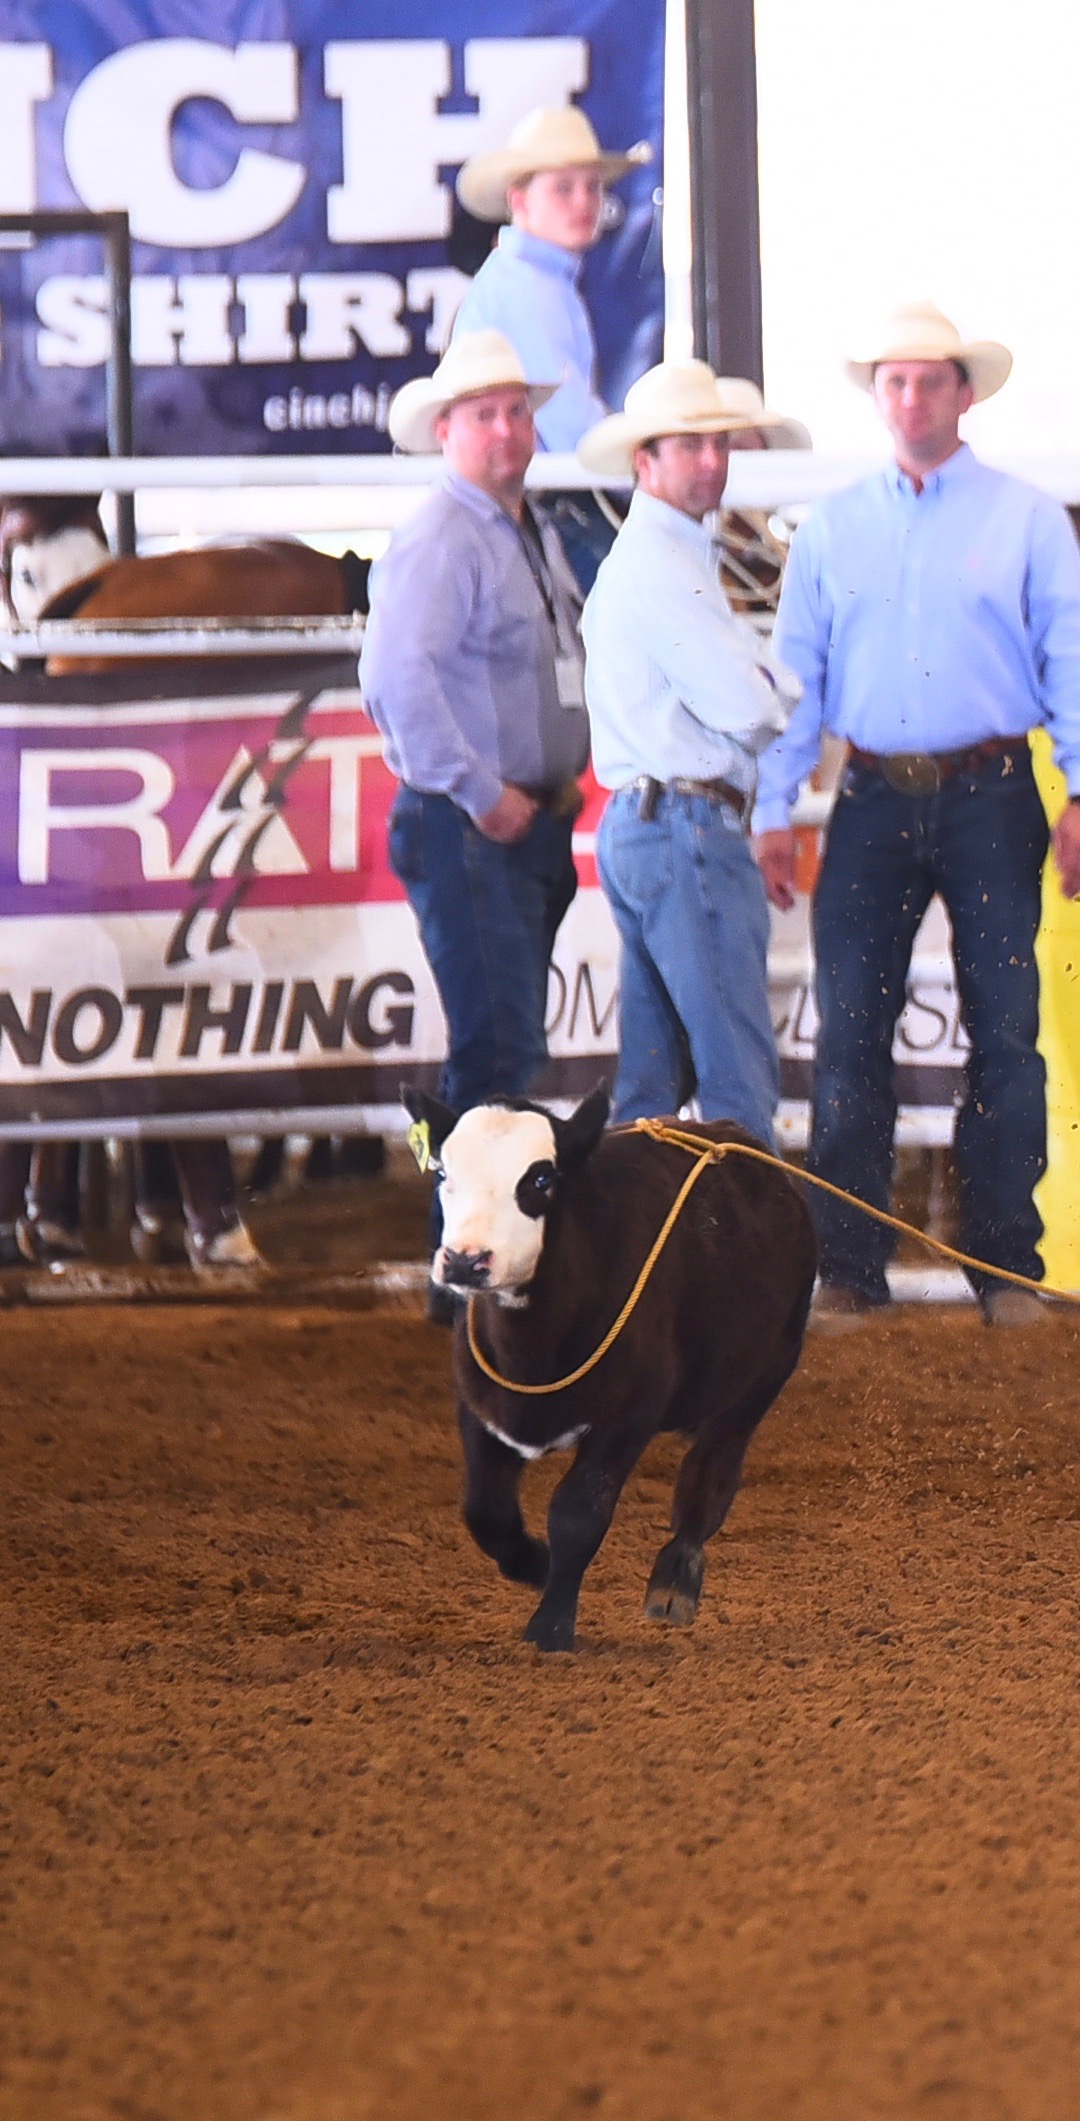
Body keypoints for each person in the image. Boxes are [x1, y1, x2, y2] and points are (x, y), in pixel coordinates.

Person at [756, 304, 1080, 1331]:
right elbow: (800, 679)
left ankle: (1006, 1262)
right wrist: (775, 802)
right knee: (852, 1031)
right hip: (872, 795)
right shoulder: (832, 528)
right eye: (896, 383)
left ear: (964, 394)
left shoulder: (1027, 519)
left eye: (929, 382)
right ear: (880, 398)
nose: (912, 399)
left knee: (1005, 1030)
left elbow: (1071, 660)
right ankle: (851, 1265)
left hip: (992, 789)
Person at [363, 330, 587, 1310]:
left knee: (498, 1049)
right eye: (487, 414)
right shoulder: (448, 535)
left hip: (509, 821)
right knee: (496, 1056)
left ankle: (468, 1272)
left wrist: (539, 783)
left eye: (518, 411)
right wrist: (481, 787)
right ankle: (460, 1283)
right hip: (472, 822)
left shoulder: (517, 529)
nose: (509, 429)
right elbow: (394, 678)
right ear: (447, 430)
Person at [577, 362, 805, 1152]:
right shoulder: (664, 569)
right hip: (687, 825)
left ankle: (640, 1267)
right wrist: (772, 682)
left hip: (651, 822)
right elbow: (752, 706)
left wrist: (758, 685)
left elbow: (749, 697)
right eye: (689, 446)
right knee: (735, 1074)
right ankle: (757, 1270)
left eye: (717, 444)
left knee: (652, 1085)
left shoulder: (658, 560)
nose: (710, 461)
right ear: (647, 460)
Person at [453, 105, 651, 588]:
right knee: (639, 591)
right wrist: (650, 472)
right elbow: (569, 425)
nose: (583, 201)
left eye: (591, 187)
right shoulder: (529, 288)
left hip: (541, 495)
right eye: (563, 188)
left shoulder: (535, 282)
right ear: (518, 201)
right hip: (549, 503)